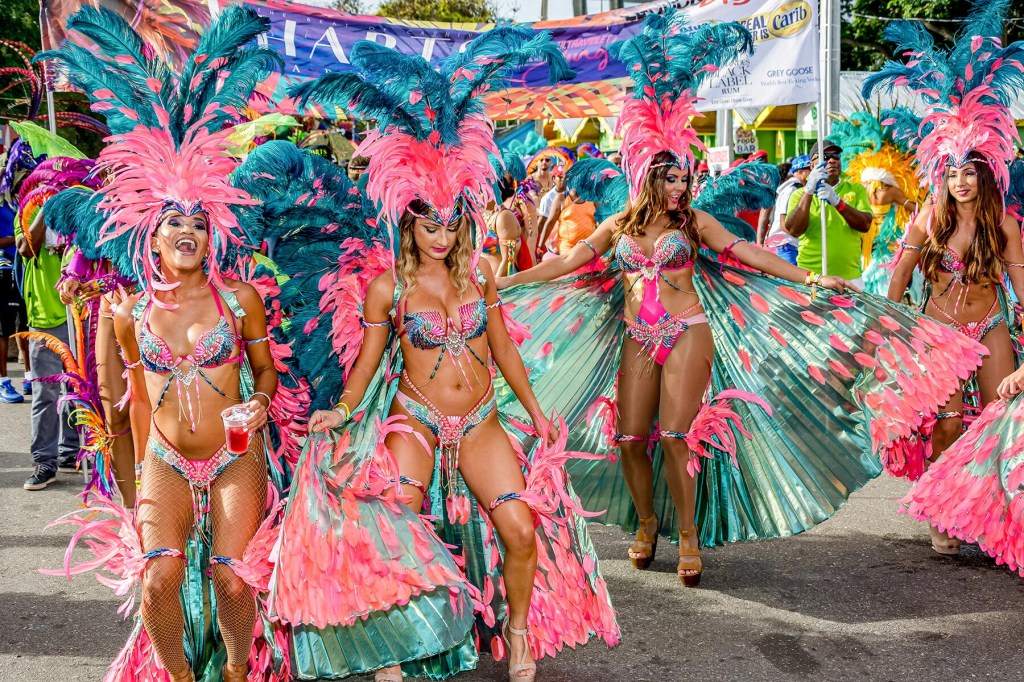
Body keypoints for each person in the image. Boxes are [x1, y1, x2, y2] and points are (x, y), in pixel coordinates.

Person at [497, 8, 985, 589]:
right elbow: (565, 263)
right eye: (672, 178)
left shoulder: (695, 223)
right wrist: (503, 283)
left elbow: (749, 253)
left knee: (676, 435)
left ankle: (687, 534)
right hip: (636, 337)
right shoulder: (620, 226)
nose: (682, 186)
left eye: (685, 178)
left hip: (687, 331)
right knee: (627, 439)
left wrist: (809, 279)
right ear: (649, 177)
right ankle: (647, 521)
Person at [278, 27, 618, 682]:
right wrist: (342, 411)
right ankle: (396, 646)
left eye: (451, 220)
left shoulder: (480, 273)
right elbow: (368, 363)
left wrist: (536, 412)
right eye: (428, 222)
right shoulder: (389, 288)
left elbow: (504, 349)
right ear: (408, 221)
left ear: (465, 217)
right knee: (398, 525)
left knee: (519, 527)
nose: (441, 234)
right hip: (416, 419)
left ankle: (517, 630)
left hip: (482, 418)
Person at [39, 7, 290, 680]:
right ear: (151, 235)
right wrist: (132, 485)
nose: (188, 231)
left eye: (199, 222)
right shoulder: (130, 313)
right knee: (158, 579)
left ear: (213, 235)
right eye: (174, 220)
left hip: (234, 456)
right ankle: (179, 677)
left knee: (233, 577)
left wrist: (261, 404)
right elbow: (130, 408)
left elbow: (265, 372)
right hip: (166, 460)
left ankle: (234, 670)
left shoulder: (241, 301)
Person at [866, 3, 1024, 556]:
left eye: (969, 172)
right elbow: (899, 277)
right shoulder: (929, 219)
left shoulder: (1004, 225)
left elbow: (1021, 289)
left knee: (999, 420)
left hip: (990, 324)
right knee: (948, 425)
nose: (960, 181)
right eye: (952, 172)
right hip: (938, 332)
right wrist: (893, 328)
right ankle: (940, 510)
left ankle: (988, 512)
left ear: (985, 174)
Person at [15, 162, 80, 489]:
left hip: (76, 316)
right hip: (44, 317)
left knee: (75, 390)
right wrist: (46, 208)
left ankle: (70, 451)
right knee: (45, 393)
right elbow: (26, 249)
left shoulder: (76, 211)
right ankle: (45, 461)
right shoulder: (28, 211)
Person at [785, 139, 873, 285]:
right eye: (825, 157)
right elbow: (794, 230)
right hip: (813, 277)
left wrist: (837, 202)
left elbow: (865, 225)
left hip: (850, 277)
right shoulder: (799, 195)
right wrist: (809, 191)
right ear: (812, 165)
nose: (832, 160)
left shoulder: (856, 189)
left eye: (836, 156)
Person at [0, 198, 26, 403]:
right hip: (2, 272)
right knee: (2, 330)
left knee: (23, 325)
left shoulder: (13, 205)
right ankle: (3, 382)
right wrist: (17, 238)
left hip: (19, 270)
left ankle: (30, 377)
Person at [763, 154, 810, 262]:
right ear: (799, 171)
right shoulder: (791, 190)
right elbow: (783, 223)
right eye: (809, 169)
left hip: (788, 244)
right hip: (786, 245)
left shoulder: (798, 189)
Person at [482, 175, 523, 275]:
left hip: (500, 280)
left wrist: (495, 283)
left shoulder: (504, 217)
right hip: (484, 280)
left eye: (481, 191)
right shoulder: (485, 214)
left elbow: (508, 260)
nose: (476, 195)